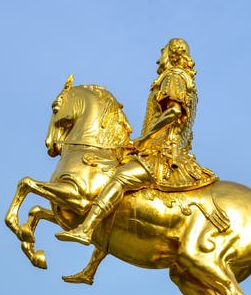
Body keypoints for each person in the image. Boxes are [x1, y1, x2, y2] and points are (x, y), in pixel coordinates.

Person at [56, 38, 216, 247]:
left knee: (119, 178)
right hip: (166, 152)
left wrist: (145, 139)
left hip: (164, 155)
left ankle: (86, 231)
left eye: (163, 52)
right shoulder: (184, 81)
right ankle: (92, 266)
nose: (159, 59)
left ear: (172, 55)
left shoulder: (174, 77)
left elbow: (174, 111)